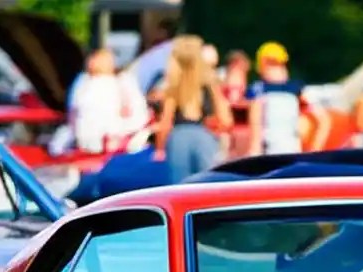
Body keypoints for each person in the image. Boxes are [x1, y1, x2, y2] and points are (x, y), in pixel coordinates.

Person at [154, 35, 232, 182]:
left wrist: (159, 149)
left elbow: (165, 123)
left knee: (179, 186)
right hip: (205, 136)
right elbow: (225, 119)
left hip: (178, 138)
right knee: (206, 185)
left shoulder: (173, 88)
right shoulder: (210, 85)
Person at [247, 42, 329, 155]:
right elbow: (255, 131)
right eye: (271, 64)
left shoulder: (297, 89)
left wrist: (315, 150)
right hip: (269, 152)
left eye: (278, 64)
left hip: (293, 152)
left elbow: (323, 120)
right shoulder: (258, 90)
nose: (277, 69)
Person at [67, 48, 149, 154]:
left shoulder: (124, 80)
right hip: (91, 137)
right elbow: (74, 110)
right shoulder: (83, 81)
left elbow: (138, 110)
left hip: (124, 134)